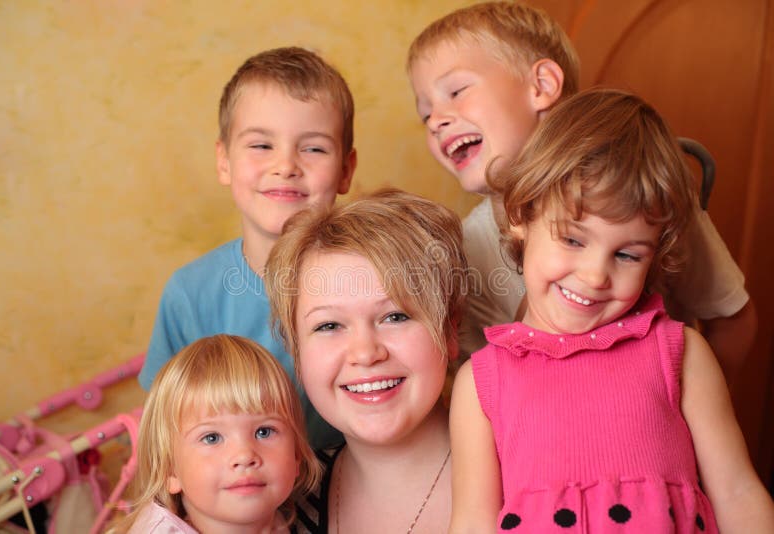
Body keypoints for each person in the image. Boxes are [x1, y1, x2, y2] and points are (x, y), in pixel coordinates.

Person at [448, 88, 774, 533]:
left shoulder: (681, 354)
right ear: (520, 215)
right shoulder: (481, 385)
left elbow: (738, 493)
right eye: (573, 240)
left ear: (655, 254)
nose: (595, 275)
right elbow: (472, 522)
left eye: (627, 255)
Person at [407, 1, 756, 382]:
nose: (436, 121)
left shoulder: (646, 192)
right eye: (425, 114)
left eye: (456, 91)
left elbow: (733, 321)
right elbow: (488, 386)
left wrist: (696, 420)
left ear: (541, 86)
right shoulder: (469, 247)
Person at [139, 47, 357, 448]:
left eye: (313, 148)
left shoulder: (373, 278)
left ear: (346, 169)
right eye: (261, 146)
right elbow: (166, 434)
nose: (286, 165)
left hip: (356, 487)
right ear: (224, 161)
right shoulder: (190, 295)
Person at [264, 188, 467, 533]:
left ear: (449, 331)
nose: (365, 353)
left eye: (395, 317)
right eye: (329, 325)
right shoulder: (279, 513)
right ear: (297, 353)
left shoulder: (534, 482)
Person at [118, 334, 323, 533]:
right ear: (170, 471)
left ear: (297, 455)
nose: (244, 456)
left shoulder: (277, 519)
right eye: (212, 438)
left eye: (264, 431)